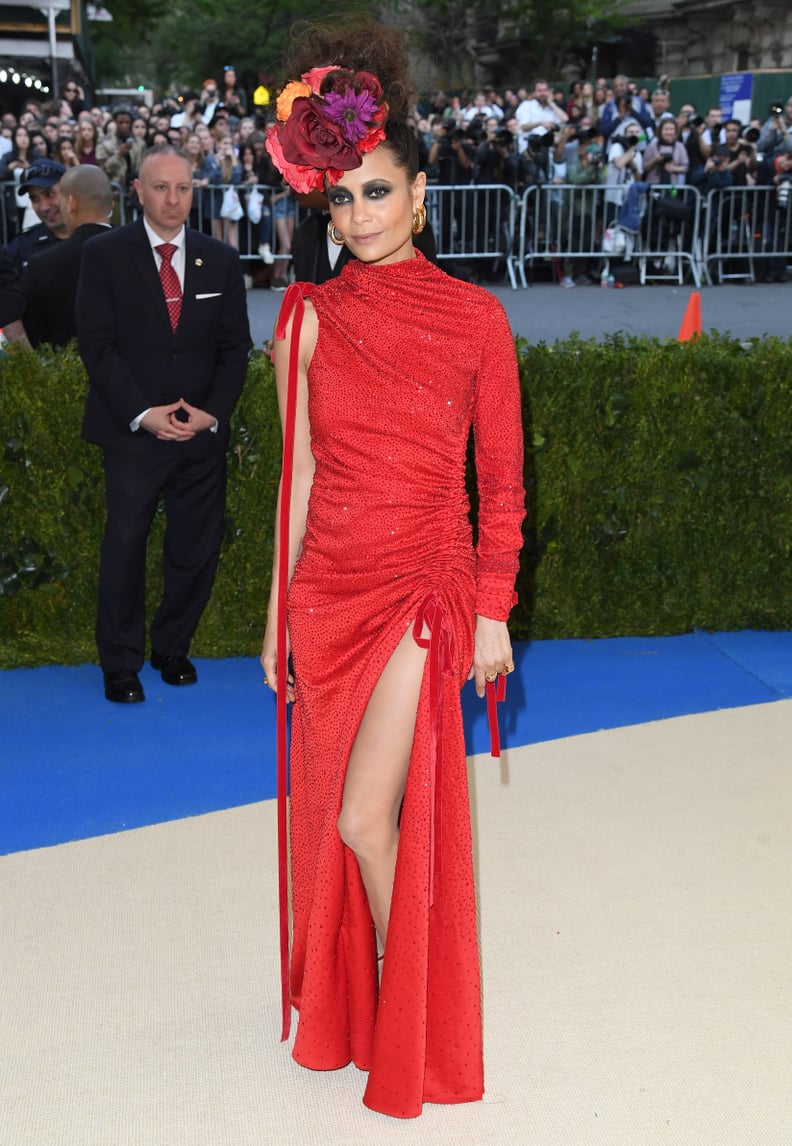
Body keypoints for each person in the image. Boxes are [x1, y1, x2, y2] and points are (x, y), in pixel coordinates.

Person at [259, 19, 525, 1119]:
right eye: (341, 200)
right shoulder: (310, 321)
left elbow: (499, 485)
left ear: (421, 194)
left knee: (369, 819)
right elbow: (300, 481)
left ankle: (402, 1011)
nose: (359, 216)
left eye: (377, 192)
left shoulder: (475, 319)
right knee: (336, 818)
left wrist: (495, 609)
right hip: (327, 591)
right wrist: (276, 616)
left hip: (425, 585)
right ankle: (365, 1000)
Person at [75, 145, 251, 704]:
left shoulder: (220, 259)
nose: (173, 199)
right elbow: (97, 347)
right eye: (161, 188)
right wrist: (143, 415)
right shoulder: (104, 255)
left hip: (198, 435)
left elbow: (235, 348)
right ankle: (120, 665)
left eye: (182, 188)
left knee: (194, 549)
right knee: (124, 546)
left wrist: (212, 413)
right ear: (137, 190)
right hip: (133, 434)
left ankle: (171, 649)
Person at [19, 166, 113, 348]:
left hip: (64, 372)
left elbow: (36, 338)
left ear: (71, 203)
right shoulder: (142, 252)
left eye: (53, 196)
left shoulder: (42, 265)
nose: (44, 207)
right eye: (35, 199)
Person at [4, 159, 68, 274]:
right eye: (34, 199)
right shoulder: (21, 246)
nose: (43, 207)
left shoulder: (96, 239)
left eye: (49, 194)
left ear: (69, 191)